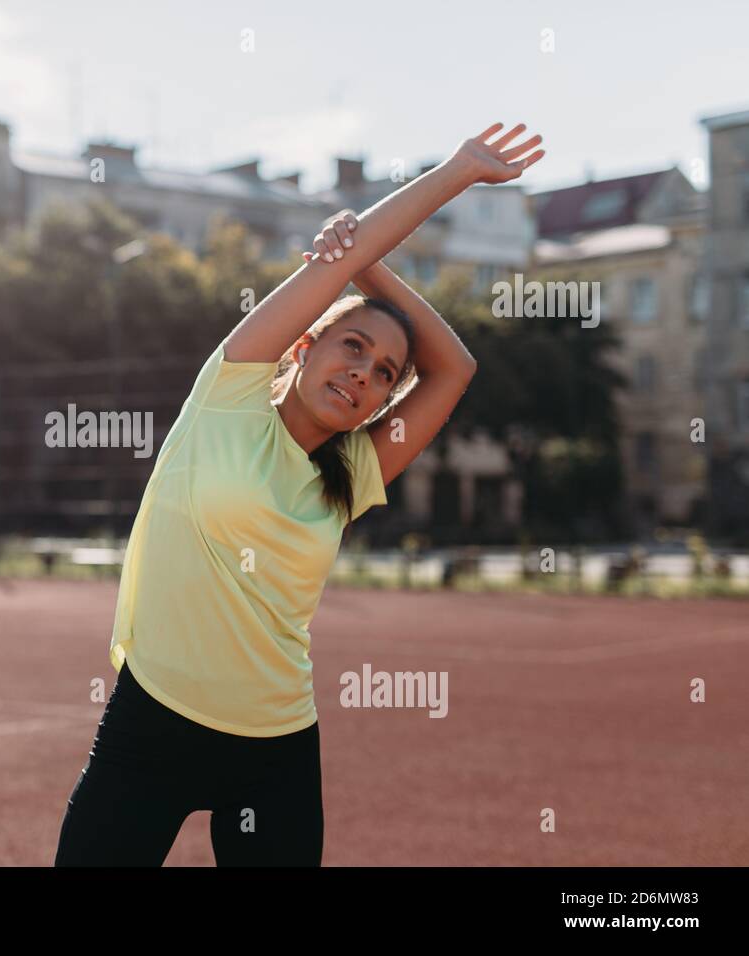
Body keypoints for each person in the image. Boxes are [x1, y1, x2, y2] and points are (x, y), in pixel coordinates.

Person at [53, 123, 545, 867]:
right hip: (153, 724)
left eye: (384, 373)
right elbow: (332, 267)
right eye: (353, 347)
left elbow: (454, 370)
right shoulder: (224, 397)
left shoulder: (352, 473)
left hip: (274, 747)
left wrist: (371, 270)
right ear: (301, 347)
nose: (365, 374)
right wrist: (455, 172)